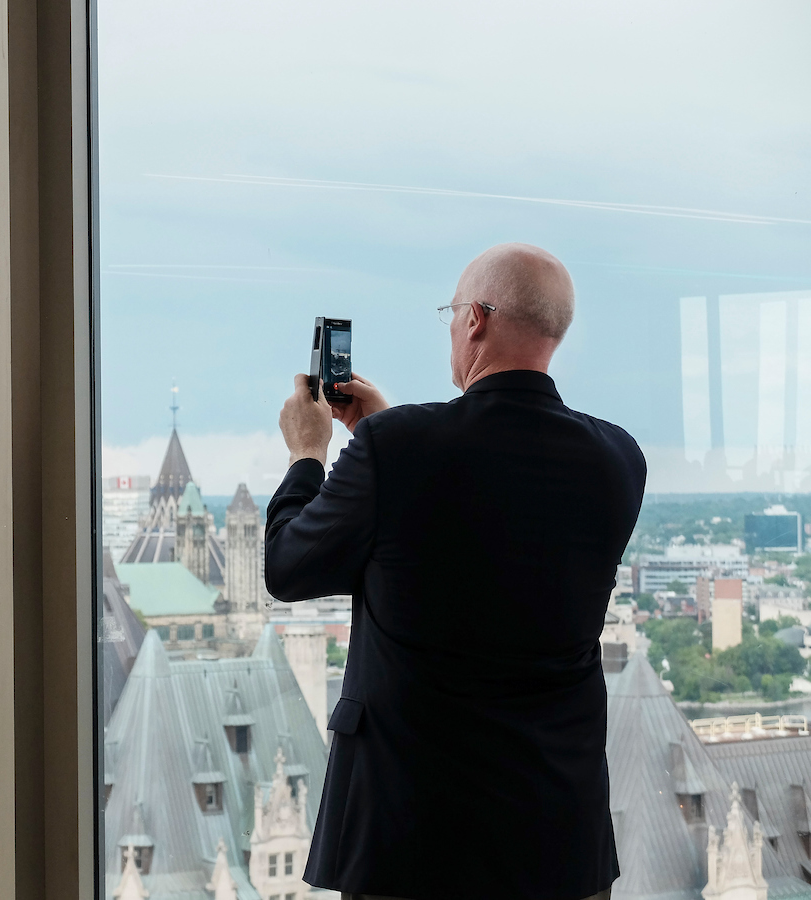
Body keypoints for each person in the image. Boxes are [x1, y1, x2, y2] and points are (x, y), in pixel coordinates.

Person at [266, 243, 645, 900]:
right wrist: (385, 442)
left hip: (411, 837)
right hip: (556, 835)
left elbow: (288, 567)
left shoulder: (398, 448)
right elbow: (497, 532)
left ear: (476, 318)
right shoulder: (619, 459)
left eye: (450, 311)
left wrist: (309, 456)